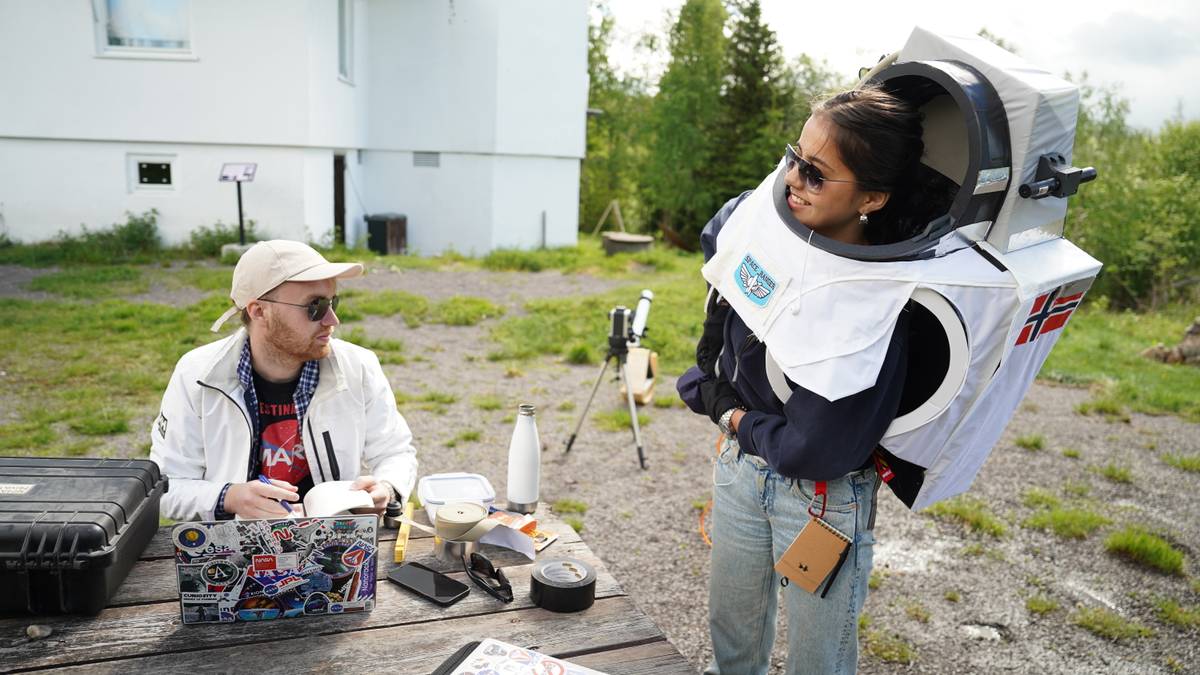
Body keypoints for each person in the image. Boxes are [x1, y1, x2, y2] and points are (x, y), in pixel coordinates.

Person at [687, 85, 924, 675]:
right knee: (731, 646)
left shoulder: (877, 303)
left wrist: (731, 415)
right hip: (741, 474)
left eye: (817, 175)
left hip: (822, 500)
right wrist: (731, 413)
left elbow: (816, 446)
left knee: (819, 663)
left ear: (872, 196)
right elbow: (720, 268)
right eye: (794, 157)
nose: (793, 178)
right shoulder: (770, 235)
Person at [150, 240, 417, 521]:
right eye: (315, 306)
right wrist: (229, 497)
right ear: (259, 311)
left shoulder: (358, 366)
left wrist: (386, 488)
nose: (332, 319)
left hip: (336, 541)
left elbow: (396, 452)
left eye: (332, 302)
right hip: (238, 550)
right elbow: (165, 487)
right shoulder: (197, 375)